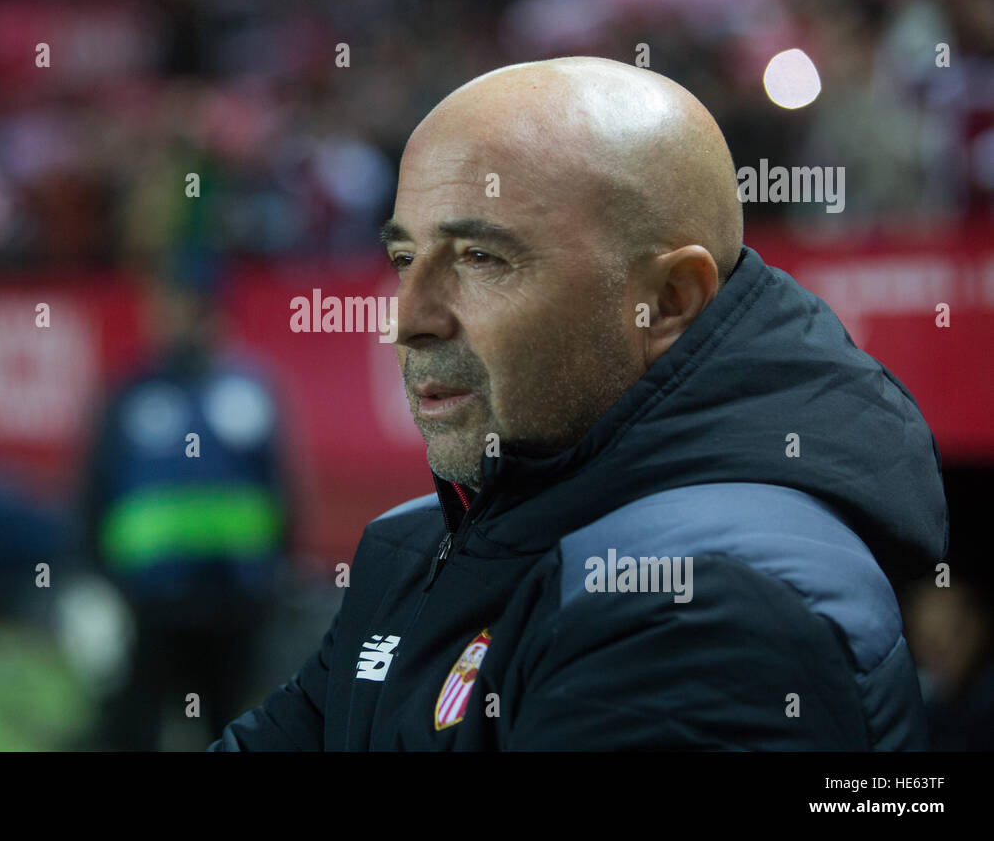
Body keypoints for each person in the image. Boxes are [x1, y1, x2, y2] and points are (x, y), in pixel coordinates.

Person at [209, 57, 949, 750]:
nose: (407, 319)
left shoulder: (704, 600)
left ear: (669, 300)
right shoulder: (415, 549)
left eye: (480, 258)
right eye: (404, 258)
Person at [86, 270, 290, 750]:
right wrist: (92, 579)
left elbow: (280, 489)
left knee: (231, 729)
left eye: (186, 307)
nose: (171, 319)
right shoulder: (130, 393)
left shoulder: (251, 391)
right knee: (134, 730)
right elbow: (95, 489)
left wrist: (276, 577)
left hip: (234, 602)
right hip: (147, 604)